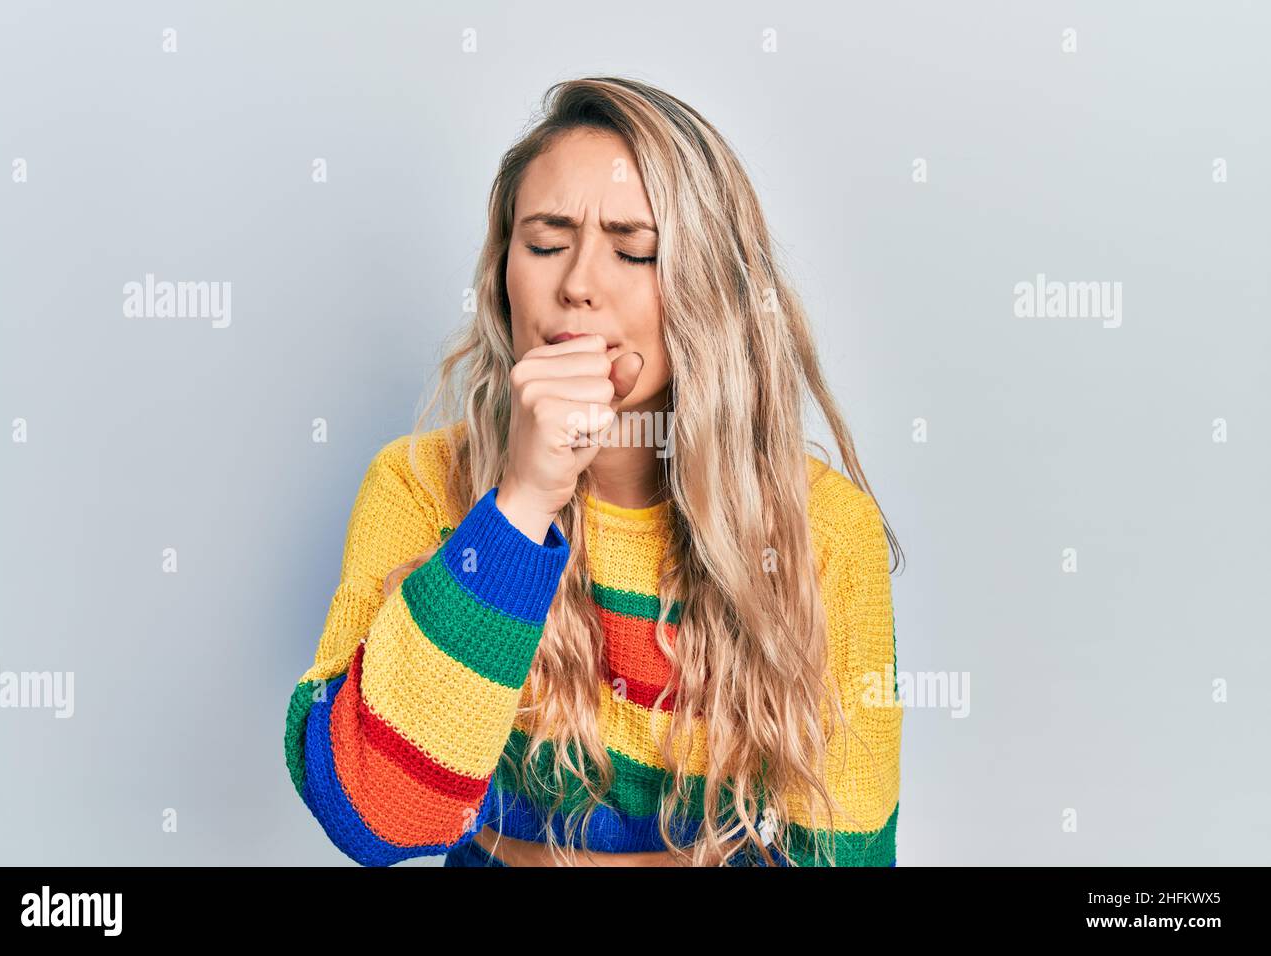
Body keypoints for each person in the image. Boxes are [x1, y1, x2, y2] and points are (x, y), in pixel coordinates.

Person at [283, 75, 904, 867]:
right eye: (544, 243)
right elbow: (373, 815)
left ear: (709, 287)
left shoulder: (822, 530)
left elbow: (847, 852)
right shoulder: (416, 486)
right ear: (503, 275)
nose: (577, 285)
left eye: (634, 250)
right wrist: (522, 503)